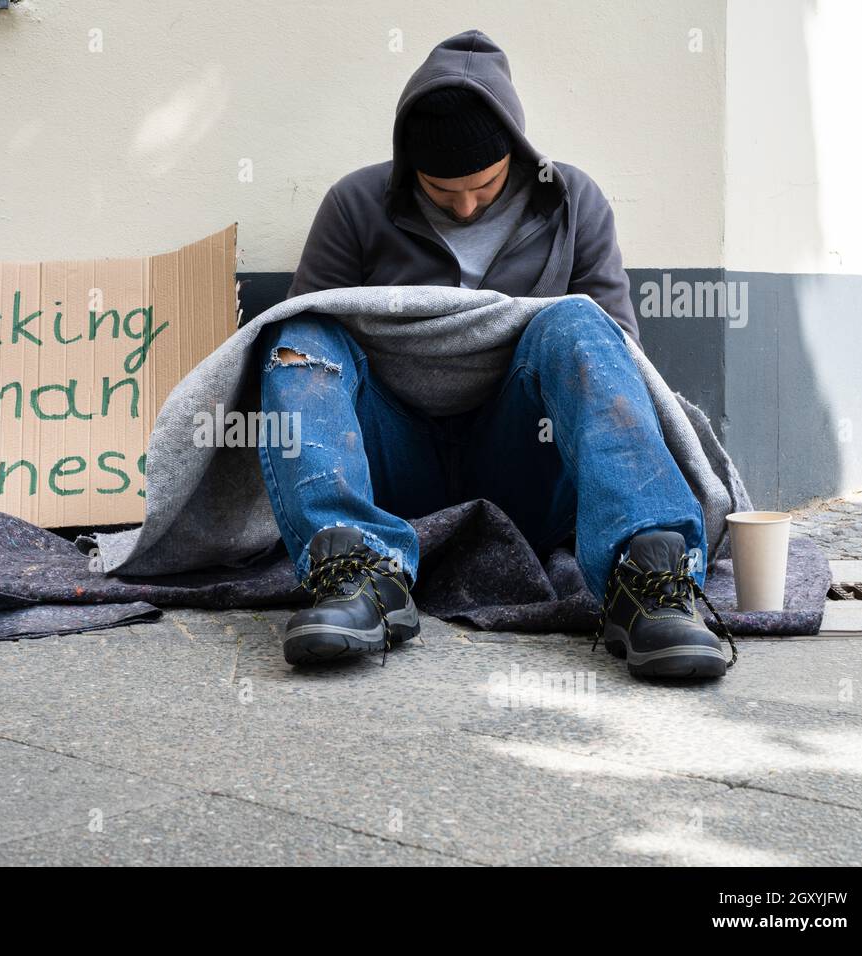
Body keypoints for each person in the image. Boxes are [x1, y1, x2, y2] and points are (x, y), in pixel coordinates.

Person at [258, 30, 733, 679]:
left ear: (514, 149)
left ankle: (645, 579)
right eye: (439, 188)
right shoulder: (355, 204)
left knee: (580, 323)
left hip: (525, 463)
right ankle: (357, 573)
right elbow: (306, 335)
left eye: (482, 184)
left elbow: (619, 361)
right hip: (397, 470)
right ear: (407, 164)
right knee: (300, 339)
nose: (465, 203)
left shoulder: (572, 203)